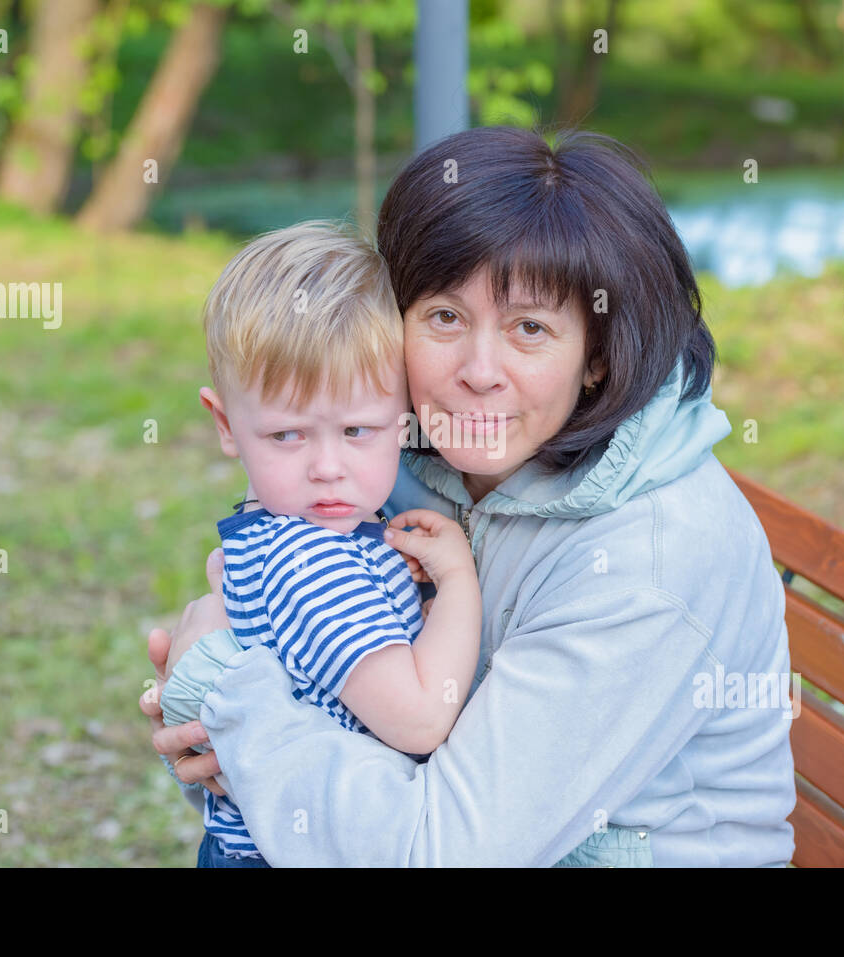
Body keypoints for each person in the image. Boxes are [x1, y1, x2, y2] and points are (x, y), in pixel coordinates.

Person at [142, 126, 797, 867]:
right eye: (446, 317)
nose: (479, 370)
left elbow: (436, 851)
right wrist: (220, 709)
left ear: (598, 356)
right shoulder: (414, 460)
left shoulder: (651, 562)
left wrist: (232, 701)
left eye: (530, 328)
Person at [157, 221, 482, 867]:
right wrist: (459, 584)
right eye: (287, 436)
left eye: (359, 429)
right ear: (225, 424)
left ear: (404, 416)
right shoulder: (314, 561)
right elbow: (420, 718)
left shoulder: (286, 529)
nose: (327, 466)